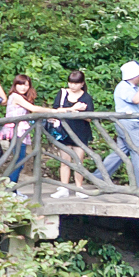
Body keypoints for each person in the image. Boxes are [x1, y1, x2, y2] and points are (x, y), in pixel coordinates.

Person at [98, 61, 139, 187]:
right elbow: (136, 100)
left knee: (120, 152)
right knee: (138, 152)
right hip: (129, 124)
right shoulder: (124, 87)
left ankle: (99, 177)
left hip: (134, 123)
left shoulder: (134, 87)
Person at [50, 70, 95, 198]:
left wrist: (80, 113)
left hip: (80, 132)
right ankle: (64, 187)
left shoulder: (86, 97)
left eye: (76, 83)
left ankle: (79, 188)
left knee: (78, 161)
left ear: (82, 84)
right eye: (70, 83)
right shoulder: (63, 93)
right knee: (64, 161)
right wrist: (72, 109)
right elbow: (55, 110)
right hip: (63, 131)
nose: (72, 86)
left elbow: (90, 117)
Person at [1, 74, 46, 186]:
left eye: (26, 85)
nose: (23, 87)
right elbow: (33, 109)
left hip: (21, 131)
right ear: (15, 85)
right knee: (18, 161)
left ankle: (12, 189)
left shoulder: (20, 97)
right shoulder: (15, 96)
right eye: (20, 84)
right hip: (16, 131)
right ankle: (10, 189)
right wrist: (57, 111)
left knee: (19, 161)